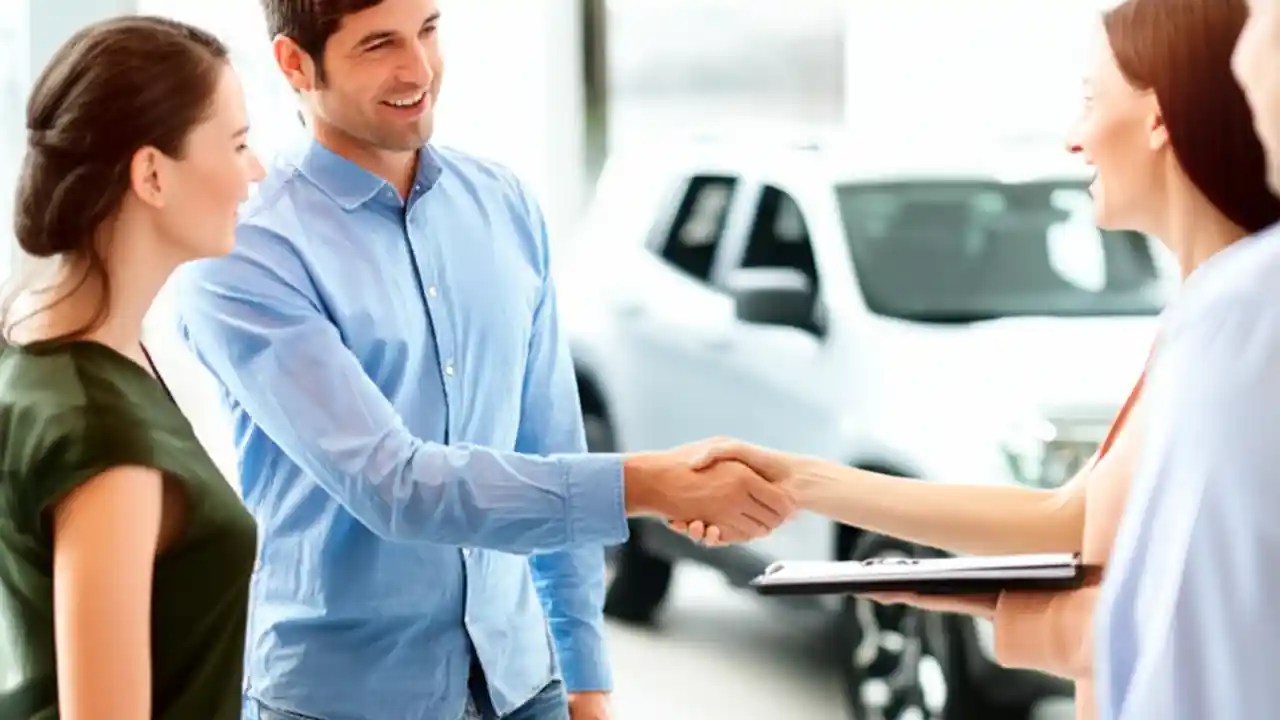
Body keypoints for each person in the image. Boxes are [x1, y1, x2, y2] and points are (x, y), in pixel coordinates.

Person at [167, 1, 793, 719]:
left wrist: (583, 674)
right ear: (294, 64)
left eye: (429, 30)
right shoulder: (245, 249)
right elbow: (393, 483)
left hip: (522, 685)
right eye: (379, 45)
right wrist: (650, 485)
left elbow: (549, 441)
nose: (419, 68)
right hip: (340, 698)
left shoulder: (503, 205)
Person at [676, 1, 1280, 718]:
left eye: (1090, 99)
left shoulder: (1239, 325)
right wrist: (803, 481)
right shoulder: (1202, 317)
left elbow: (1188, 619)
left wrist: (990, 602)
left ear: (1159, 117)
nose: (1073, 138)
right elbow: (1067, 517)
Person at [0, 16, 266, 720]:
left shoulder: (29, 338)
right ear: (151, 173)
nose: (255, 171)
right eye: (238, 144)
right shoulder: (103, 435)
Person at [1092, 0, 1280, 716]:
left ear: (1159, 115)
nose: (1243, 60)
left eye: (1265, 18)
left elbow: (1196, 658)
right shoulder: (1224, 312)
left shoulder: (1240, 315)